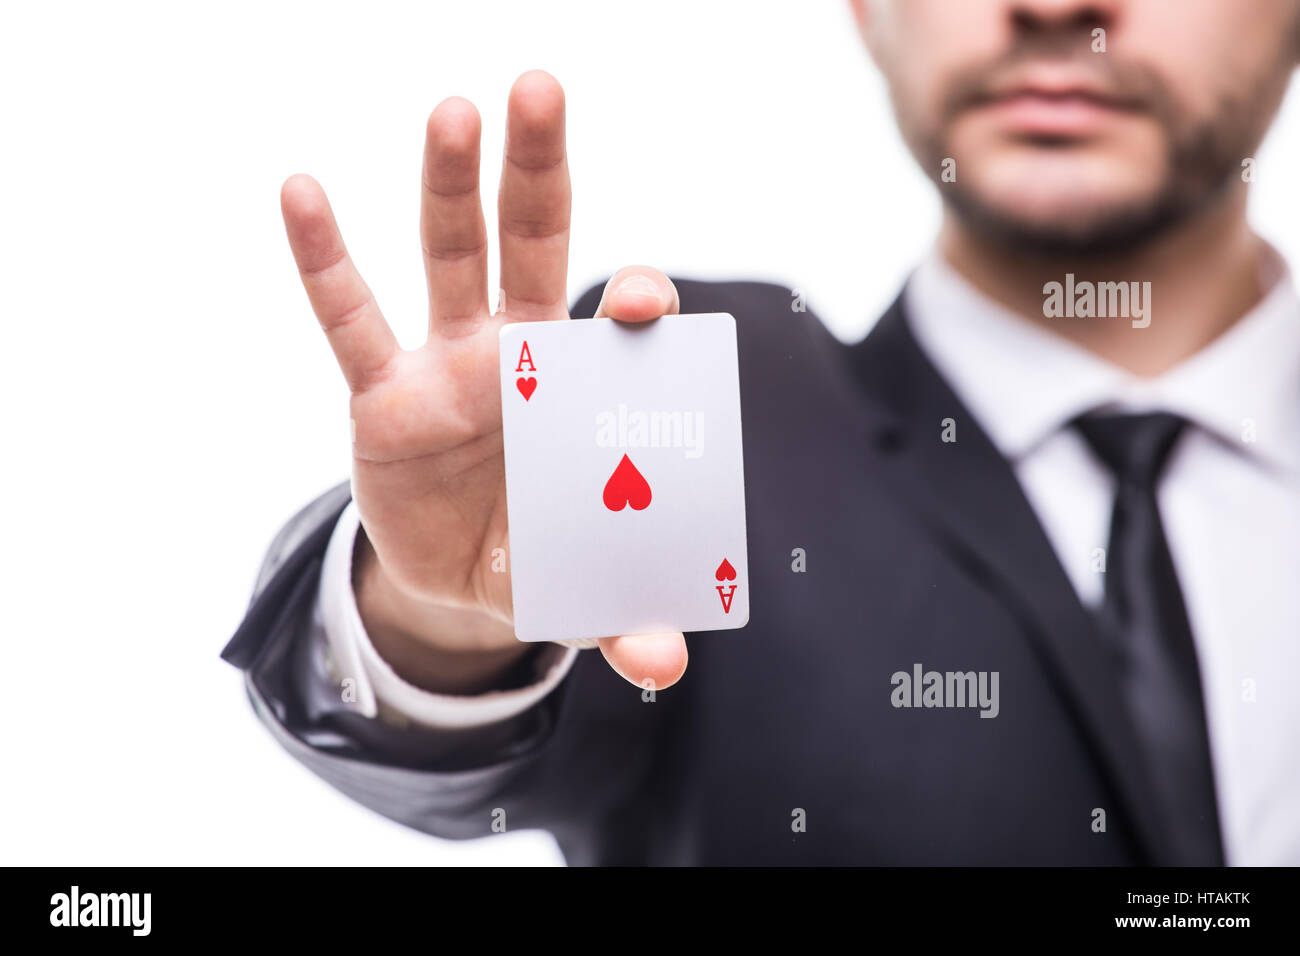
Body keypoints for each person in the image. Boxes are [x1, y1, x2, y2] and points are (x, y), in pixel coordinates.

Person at [223, 0, 1300, 864]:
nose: (1057, 8)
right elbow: (461, 738)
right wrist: (437, 619)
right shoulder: (695, 417)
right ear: (867, 11)